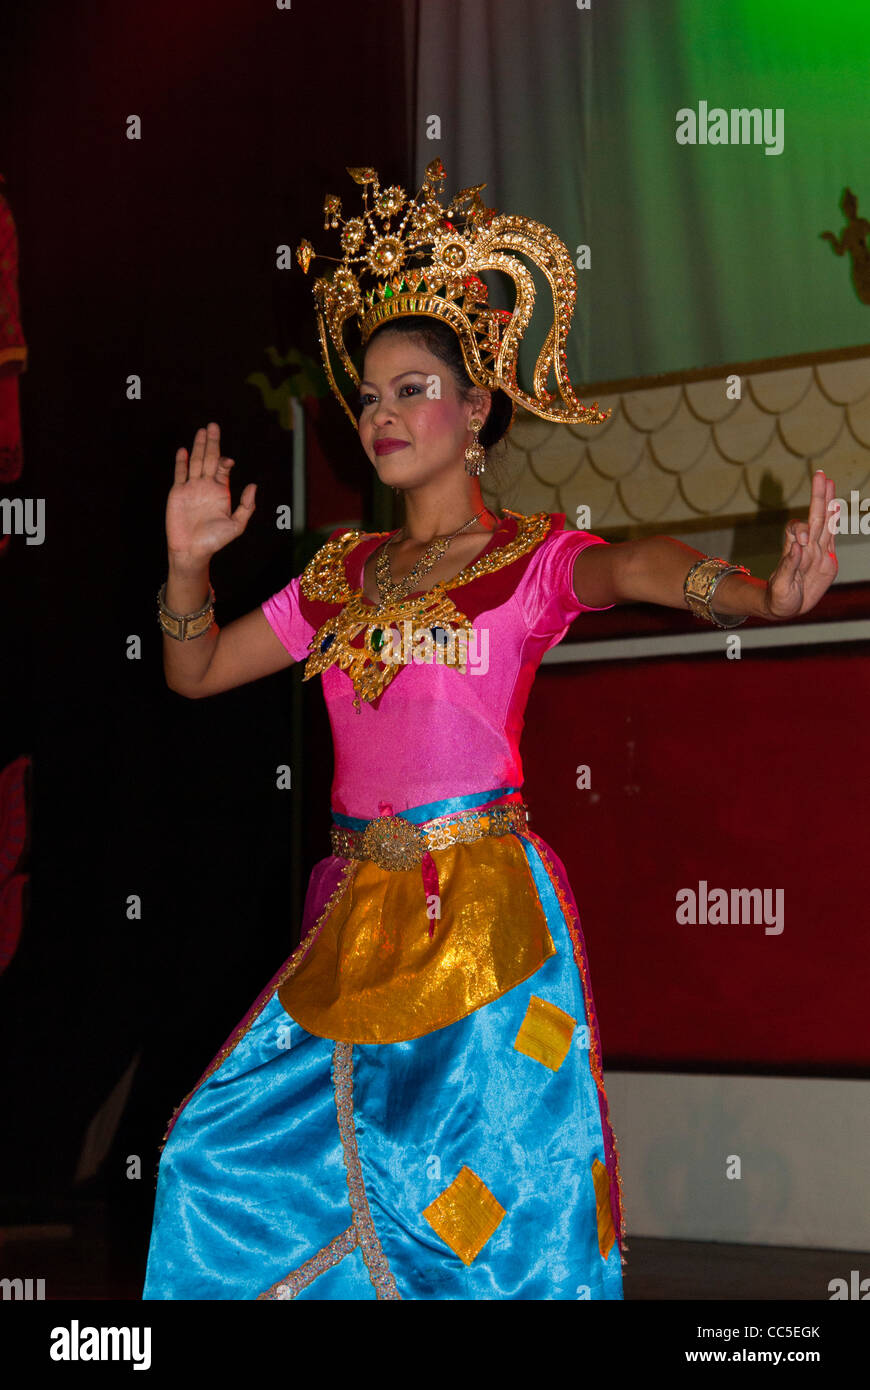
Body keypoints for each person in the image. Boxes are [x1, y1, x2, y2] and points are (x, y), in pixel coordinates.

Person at [143, 162, 838, 1301]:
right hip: (357, 926)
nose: (381, 416)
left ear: (477, 408)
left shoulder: (530, 560)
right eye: (366, 396)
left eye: (413, 389)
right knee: (213, 1163)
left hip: (483, 922)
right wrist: (184, 566)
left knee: (481, 1222)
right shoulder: (340, 574)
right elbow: (196, 670)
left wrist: (758, 596)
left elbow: (639, 566)